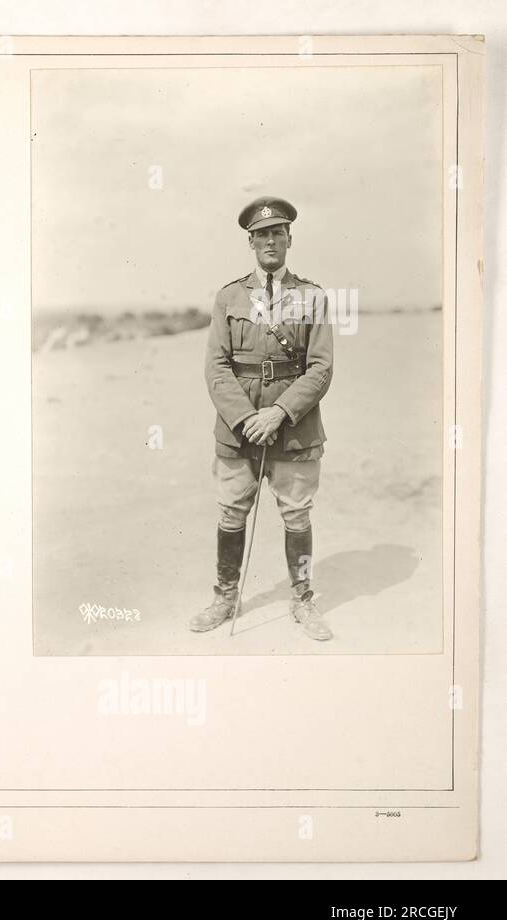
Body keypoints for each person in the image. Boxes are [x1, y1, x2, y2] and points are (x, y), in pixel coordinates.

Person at [189, 196, 334, 640]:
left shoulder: (312, 297)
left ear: (290, 238)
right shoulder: (229, 296)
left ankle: (303, 600)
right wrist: (244, 417)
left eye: (278, 233)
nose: (270, 241)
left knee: (297, 515)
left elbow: (321, 366)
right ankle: (224, 597)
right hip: (239, 429)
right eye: (261, 235)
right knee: (231, 513)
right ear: (250, 242)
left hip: (294, 426)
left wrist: (278, 412)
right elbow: (216, 366)